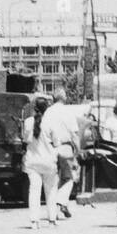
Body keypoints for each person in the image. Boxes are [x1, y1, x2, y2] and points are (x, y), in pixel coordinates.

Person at [41, 87, 87, 217]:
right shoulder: (67, 112)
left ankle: (55, 209)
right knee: (69, 177)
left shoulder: (48, 112)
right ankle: (61, 201)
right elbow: (74, 134)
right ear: (64, 97)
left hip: (50, 148)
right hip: (65, 148)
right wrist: (78, 150)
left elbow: (44, 131)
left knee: (53, 180)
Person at [23, 97, 60, 229]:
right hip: (49, 161)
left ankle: (34, 221)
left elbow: (26, 140)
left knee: (34, 191)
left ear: (34, 108)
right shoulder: (51, 122)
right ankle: (52, 219)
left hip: (32, 161)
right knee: (51, 191)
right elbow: (56, 143)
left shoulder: (28, 122)